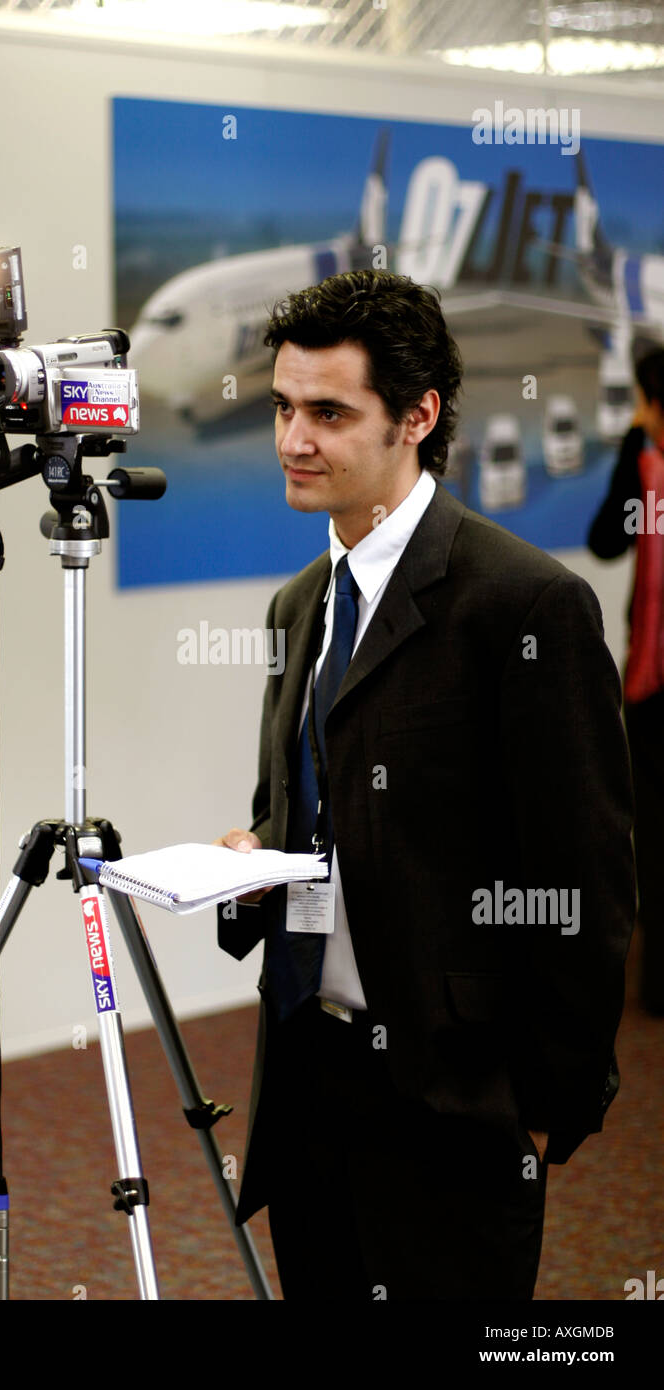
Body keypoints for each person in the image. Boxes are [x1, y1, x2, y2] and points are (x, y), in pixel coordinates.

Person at [214, 270, 635, 1301]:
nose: (291, 439)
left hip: (455, 1104)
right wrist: (256, 853)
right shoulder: (295, 606)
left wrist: (544, 1108)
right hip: (309, 1084)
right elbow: (312, 808)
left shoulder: (524, 604)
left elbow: (583, 879)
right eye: (280, 407)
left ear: (417, 416)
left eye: (327, 412)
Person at [589, 347, 664, 1016]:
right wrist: (633, 449)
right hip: (650, 673)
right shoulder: (642, 459)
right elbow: (605, 541)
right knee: (651, 821)